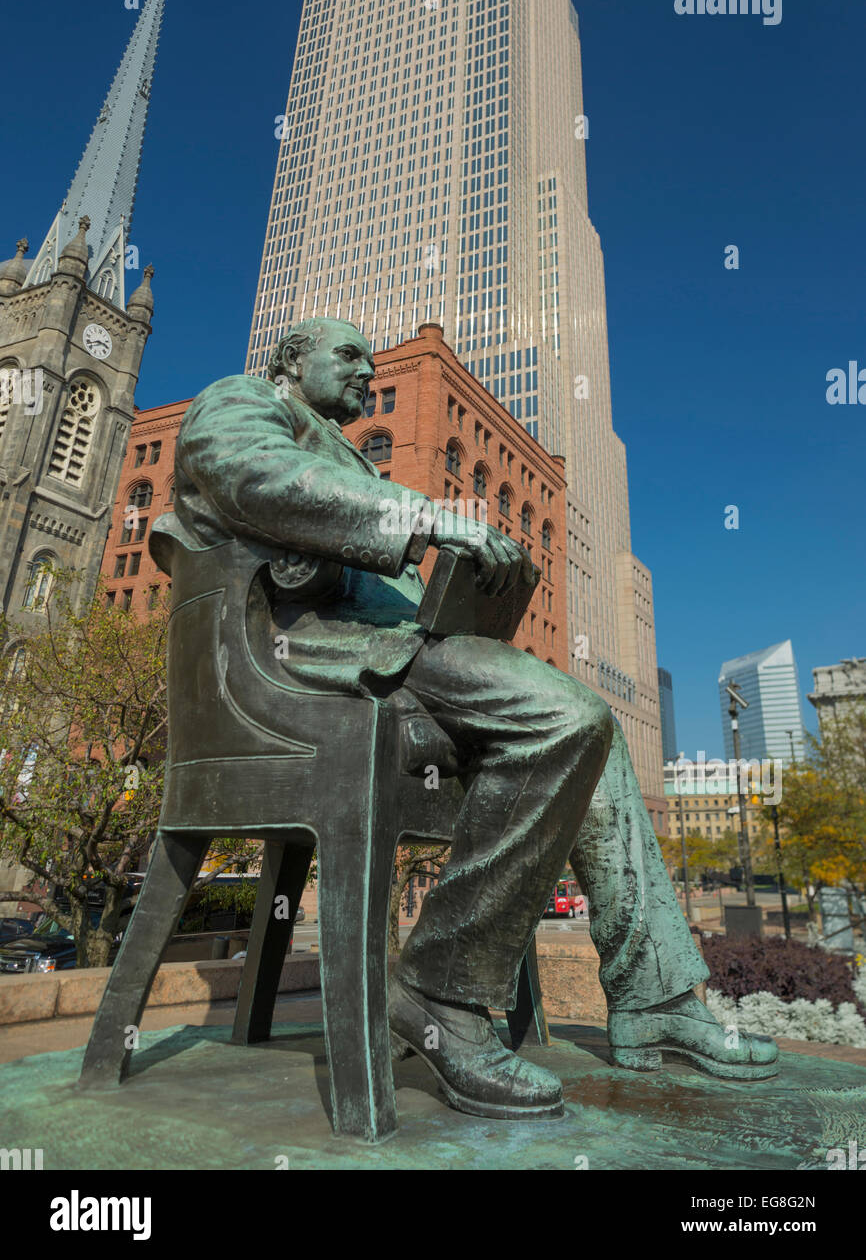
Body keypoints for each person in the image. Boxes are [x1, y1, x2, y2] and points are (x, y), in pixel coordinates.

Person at [173, 317, 777, 1121]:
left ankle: (656, 999)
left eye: (372, 361)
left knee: (590, 734)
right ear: (291, 361)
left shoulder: (348, 448)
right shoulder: (240, 401)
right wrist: (424, 519)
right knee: (564, 713)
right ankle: (439, 995)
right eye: (349, 356)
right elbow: (251, 477)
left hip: (389, 657)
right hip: (297, 666)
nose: (366, 371)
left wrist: (467, 604)